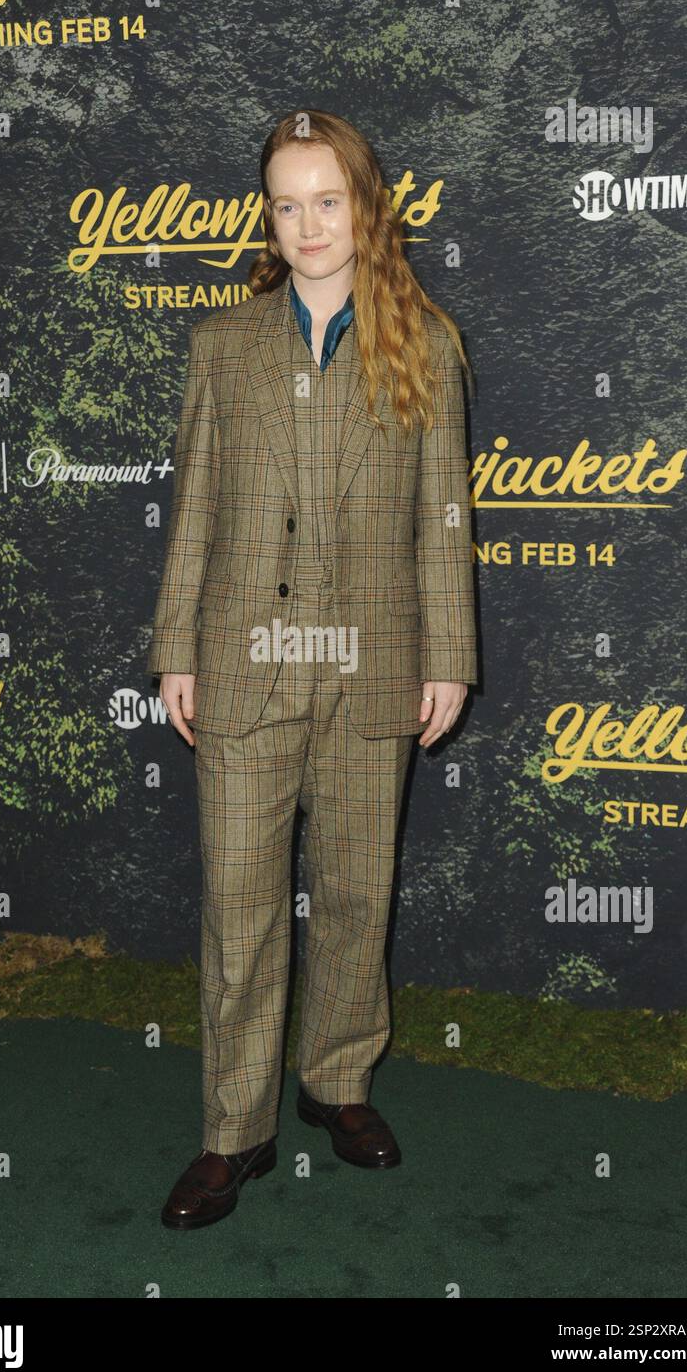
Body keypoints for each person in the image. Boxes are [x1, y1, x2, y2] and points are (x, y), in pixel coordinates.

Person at [146, 109, 478, 1230]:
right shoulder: (223, 345)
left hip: (376, 664)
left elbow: (444, 521)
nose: (306, 224)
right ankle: (232, 1132)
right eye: (286, 204)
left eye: (326, 199)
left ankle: (337, 1080)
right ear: (270, 218)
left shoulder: (426, 343)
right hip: (243, 664)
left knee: (353, 894)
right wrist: (176, 651)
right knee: (239, 908)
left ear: (364, 206)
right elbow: (192, 516)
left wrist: (451, 657)